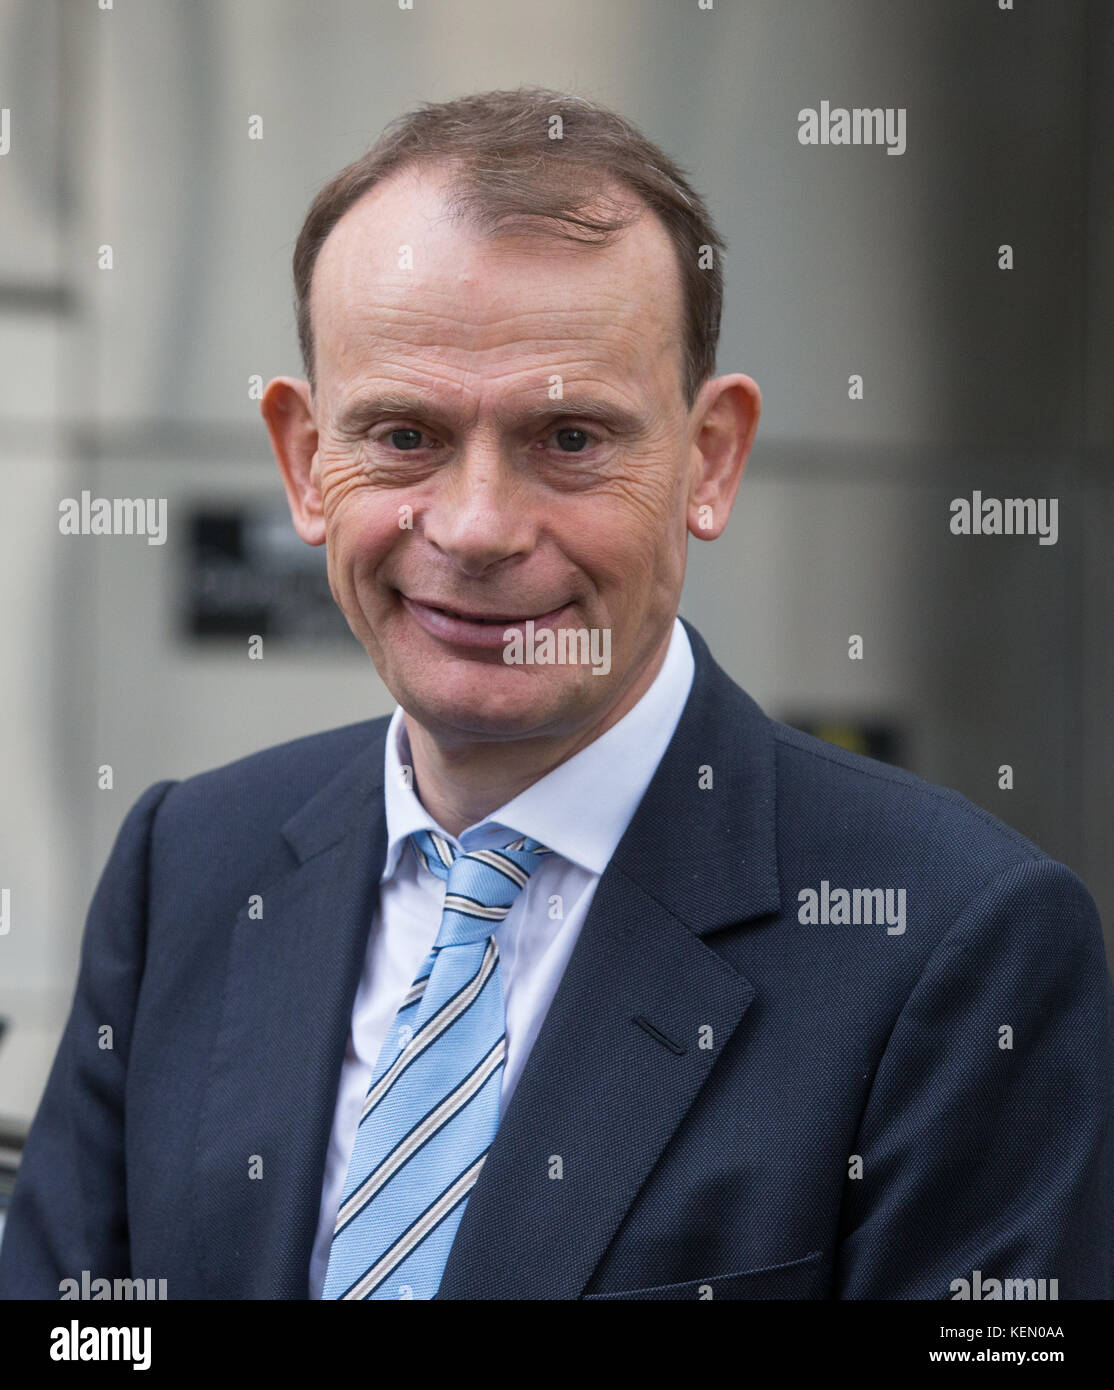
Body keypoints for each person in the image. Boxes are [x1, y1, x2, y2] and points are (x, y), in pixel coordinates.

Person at [2, 87, 1110, 1301]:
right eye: (405, 434)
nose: (478, 529)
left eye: (570, 438)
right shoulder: (188, 866)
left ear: (710, 458)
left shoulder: (955, 944)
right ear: (303, 459)